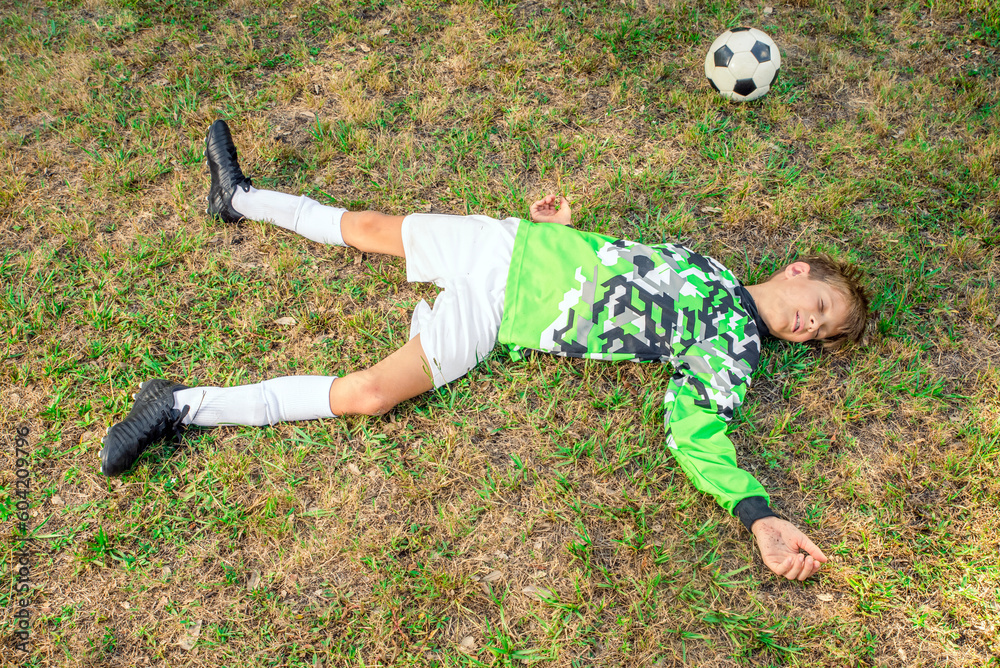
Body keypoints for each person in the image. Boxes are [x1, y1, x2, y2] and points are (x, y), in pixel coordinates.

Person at [100, 120, 870, 581]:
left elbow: (695, 432)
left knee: (371, 394)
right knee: (366, 227)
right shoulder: (709, 266)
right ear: (798, 271)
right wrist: (565, 227)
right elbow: (623, 261)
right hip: (509, 244)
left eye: (823, 332)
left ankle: (178, 407)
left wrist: (757, 514)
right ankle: (239, 198)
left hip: (500, 314)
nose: (812, 324)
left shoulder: (733, 354)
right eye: (823, 306)